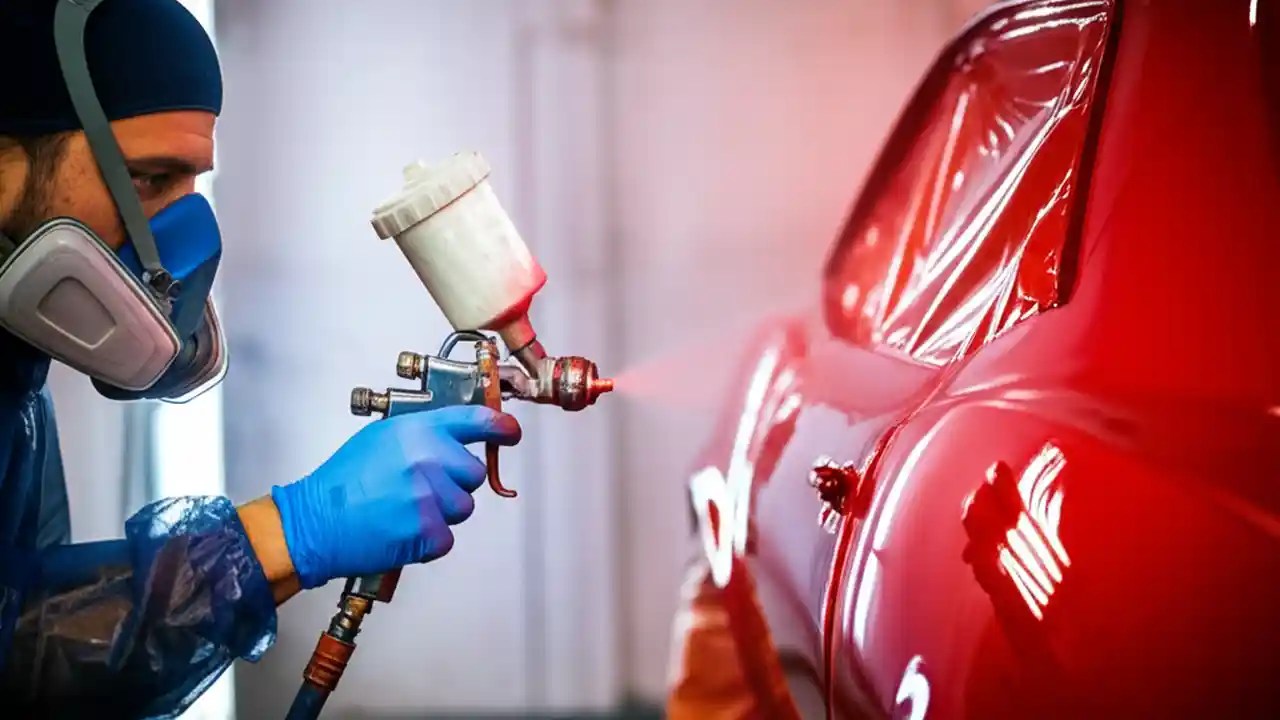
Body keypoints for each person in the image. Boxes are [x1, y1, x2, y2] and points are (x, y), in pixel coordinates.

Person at [0, 0, 522, 716]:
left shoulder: (15, 376)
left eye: (193, 184)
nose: (181, 241)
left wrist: (286, 548)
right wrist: (290, 531)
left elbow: (33, 641)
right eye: (149, 180)